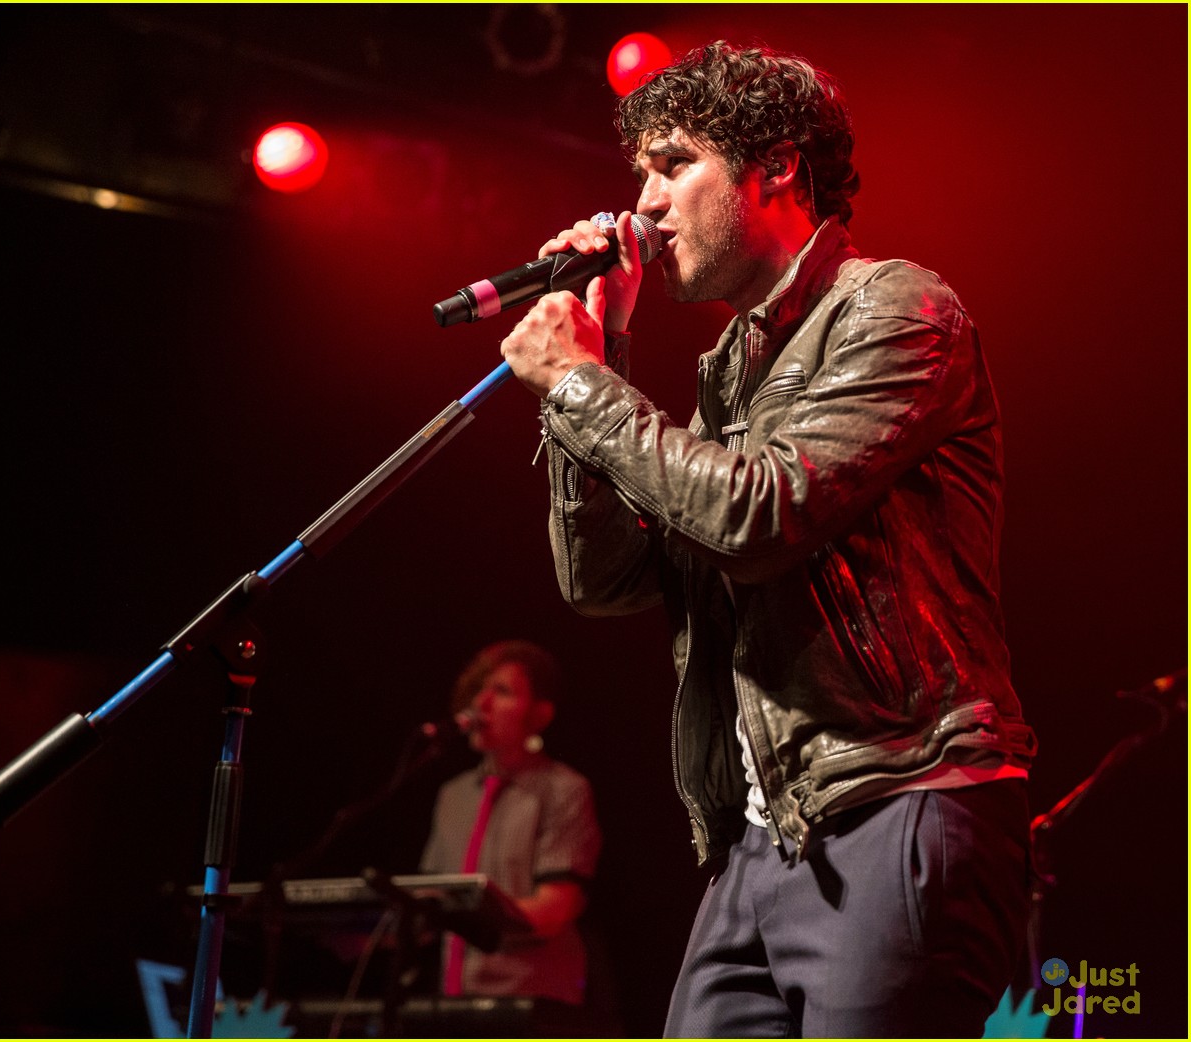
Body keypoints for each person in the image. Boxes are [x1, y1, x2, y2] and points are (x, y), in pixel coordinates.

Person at [499, 41, 1038, 1038]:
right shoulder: (731, 367)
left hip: (898, 793)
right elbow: (603, 577)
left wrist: (577, 383)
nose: (644, 205)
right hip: (762, 835)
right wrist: (603, 356)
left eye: (673, 164)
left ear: (778, 165)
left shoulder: (896, 306)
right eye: (642, 174)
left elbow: (758, 516)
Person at [418, 639, 601, 1010]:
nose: (481, 702)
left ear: (539, 715)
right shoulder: (453, 795)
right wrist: (368, 930)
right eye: (479, 689)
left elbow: (554, 909)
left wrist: (467, 917)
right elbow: (430, 904)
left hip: (531, 1001)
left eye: (502, 691)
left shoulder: (564, 789)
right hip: (455, 1000)